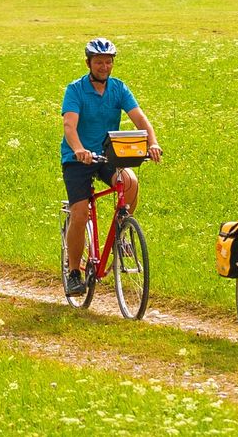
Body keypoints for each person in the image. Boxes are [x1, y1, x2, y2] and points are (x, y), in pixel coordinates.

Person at [61, 37, 162, 297]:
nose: (104, 67)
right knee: (80, 213)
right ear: (88, 63)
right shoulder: (75, 89)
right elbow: (69, 126)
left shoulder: (118, 88)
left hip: (108, 156)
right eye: (99, 62)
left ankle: (120, 232)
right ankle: (74, 272)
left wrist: (153, 143)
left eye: (108, 62)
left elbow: (141, 119)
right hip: (78, 159)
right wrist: (79, 150)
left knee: (130, 182)